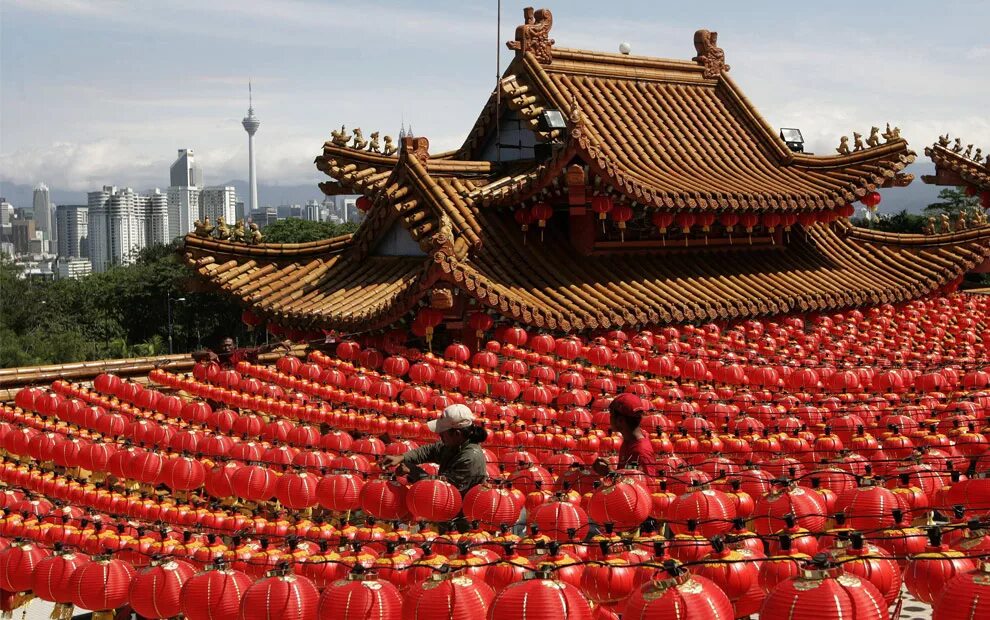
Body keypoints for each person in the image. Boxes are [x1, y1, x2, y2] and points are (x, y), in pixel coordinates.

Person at [382, 404, 488, 496]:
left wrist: (413, 471)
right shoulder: (455, 443)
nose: (439, 435)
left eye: (442, 432)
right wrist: (402, 457)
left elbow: (443, 487)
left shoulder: (470, 458)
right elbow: (430, 450)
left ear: (457, 434)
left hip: (461, 513)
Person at [593, 393, 658, 477]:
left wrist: (610, 473)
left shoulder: (641, 452)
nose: (609, 418)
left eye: (611, 415)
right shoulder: (629, 440)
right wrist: (611, 473)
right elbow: (628, 478)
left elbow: (648, 486)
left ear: (620, 421)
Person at [192, 336, 290, 369]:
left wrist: (278, 344)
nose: (227, 348)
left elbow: (260, 349)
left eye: (229, 345)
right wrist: (207, 354)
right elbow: (194, 354)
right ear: (220, 347)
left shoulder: (240, 353)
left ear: (234, 346)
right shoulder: (214, 353)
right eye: (224, 346)